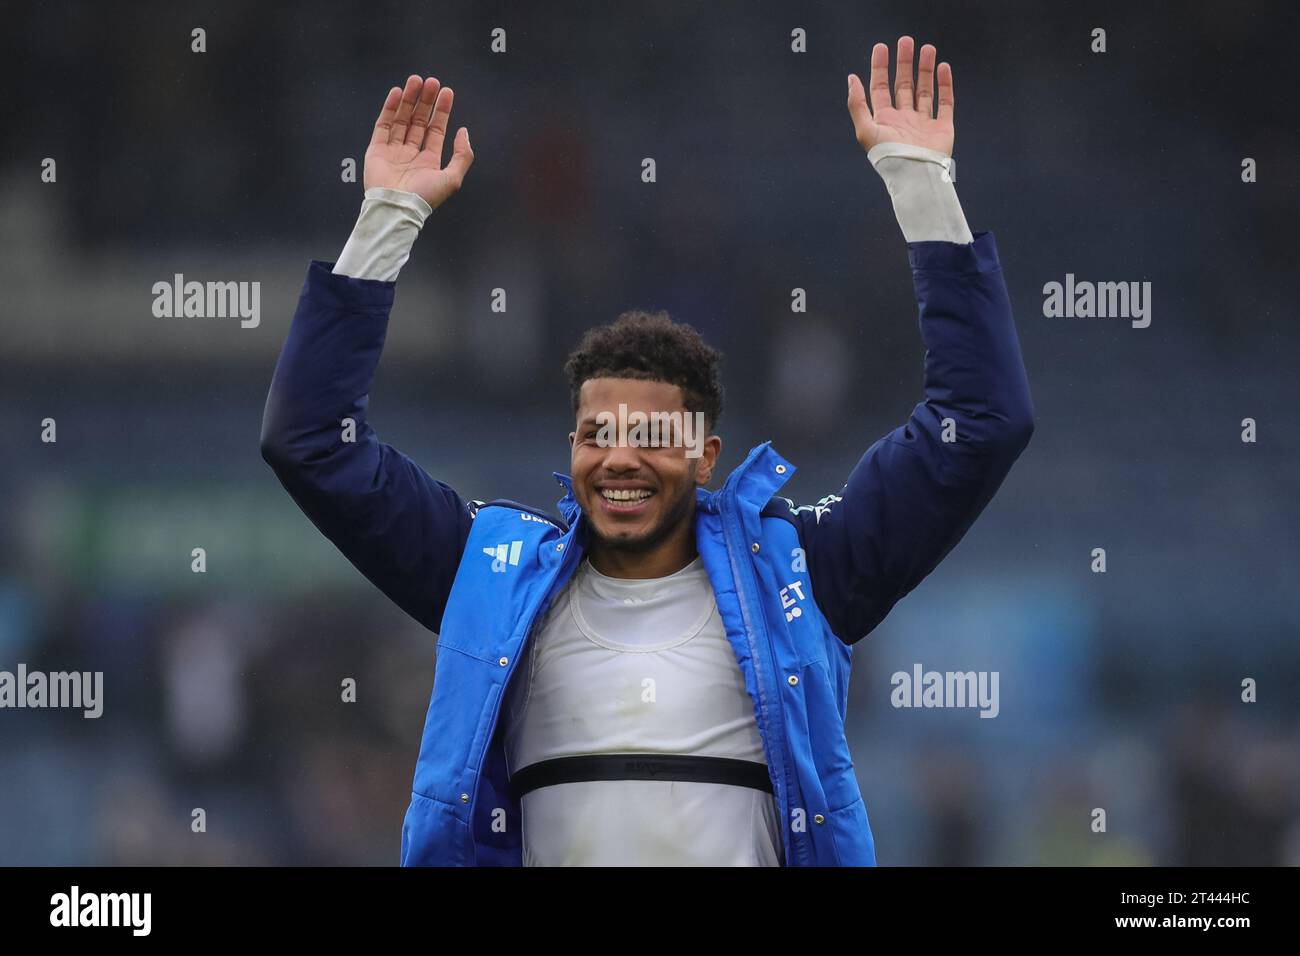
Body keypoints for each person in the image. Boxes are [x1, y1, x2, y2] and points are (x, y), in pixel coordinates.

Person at [260, 36, 1034, 866]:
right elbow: (313, 443)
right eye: (598, 434)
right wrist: (387, 221)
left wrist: (923, 190)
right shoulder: (493, 579)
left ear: (706, 456)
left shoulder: (802, 575)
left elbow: (981, 420)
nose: (620, 458)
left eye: (653, 435)